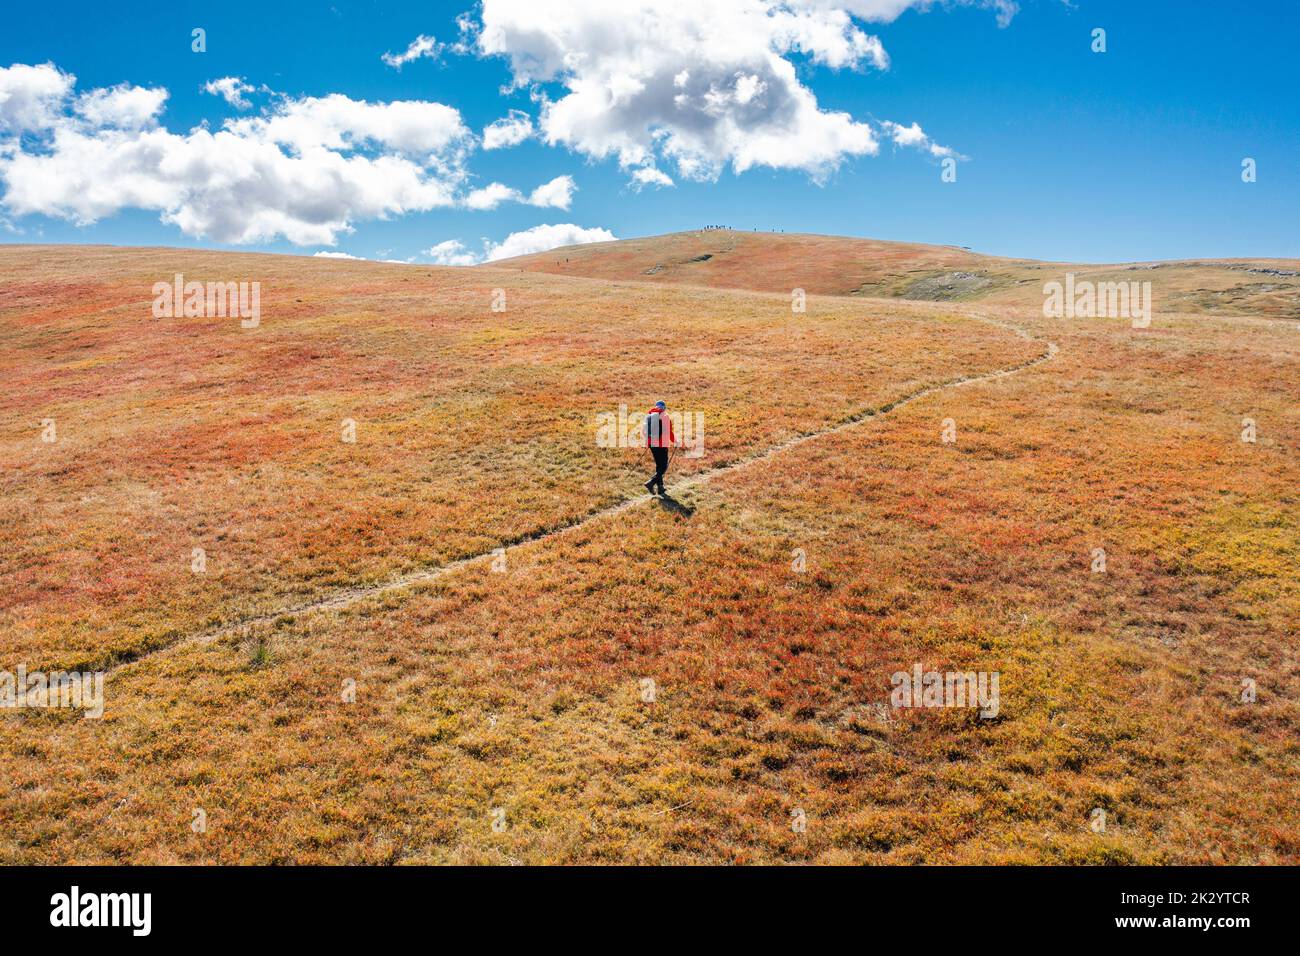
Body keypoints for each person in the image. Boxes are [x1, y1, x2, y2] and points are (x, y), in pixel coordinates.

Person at [644, 400, 676, 495]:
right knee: (664, 466)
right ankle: (651, 482)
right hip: (662, 445)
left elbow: (644, 431)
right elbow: (669, 432)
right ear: (664, 408)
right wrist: (676, 441)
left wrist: (647, 443)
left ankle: (660, 487)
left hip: (652, 445)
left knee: (659, 465)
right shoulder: (665, 417)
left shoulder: (648, 416)